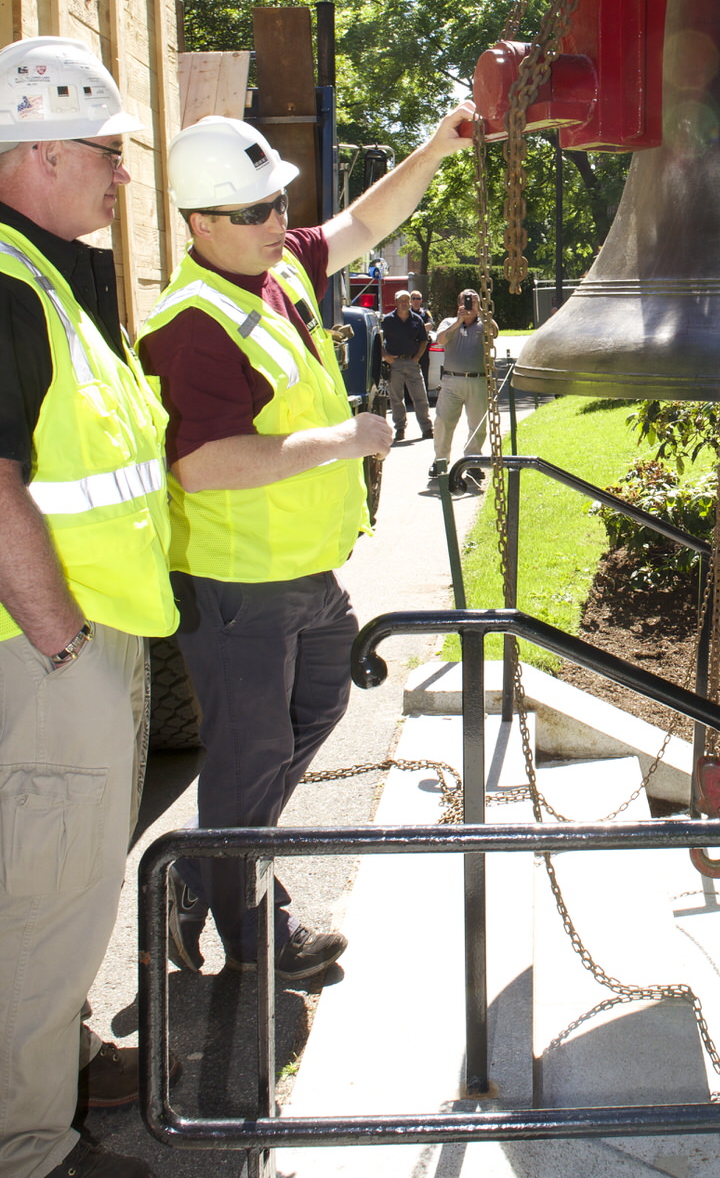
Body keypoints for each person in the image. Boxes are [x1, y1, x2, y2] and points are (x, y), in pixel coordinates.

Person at [140, 104, 475, 980]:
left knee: (321, 702)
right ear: (200, 223)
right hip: (238, 584)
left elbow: (365, 219)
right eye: (252, 212)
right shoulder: (190, 324)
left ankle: (205, 867)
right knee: (250, 756)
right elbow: (205, 465)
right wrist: (348, 439)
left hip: (302, 574)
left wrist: (436, 148)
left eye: (278, 203)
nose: (277, 222)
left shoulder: (279, 267)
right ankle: (256, 938)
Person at [0, 37, 178, 1178]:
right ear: (44, 150)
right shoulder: (12, 283)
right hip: (43, 647)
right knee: (44, 894)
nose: (121, 176)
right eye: (107, 153)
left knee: (63, 877)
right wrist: (60, 636)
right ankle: (23, 1147)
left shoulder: (54, 274)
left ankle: (51, 1057)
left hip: (88, 635)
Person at [430, 288, 493, 482]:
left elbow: (495, 333)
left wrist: (481, 312)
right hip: (451, 381)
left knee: (477, 425)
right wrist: (458, 321)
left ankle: (472, 460)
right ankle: (440, 460)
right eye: (466, 300)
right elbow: (440, 340)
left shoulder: (484, 324)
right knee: (442, 422)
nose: (469, 304)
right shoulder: (449, 322)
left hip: (477, 380)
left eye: (473, 300)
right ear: (459, 303)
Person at [381, 288, 433, 442]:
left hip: (412, 363)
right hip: (394, 364)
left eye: (406, 300)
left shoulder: (417, 320)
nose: (404, 303)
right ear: (396, 302)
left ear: (410, 302)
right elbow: (378, 340)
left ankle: (427, 428)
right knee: (396, 398)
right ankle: (400, 429)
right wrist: (386, 356)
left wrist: (417, 357)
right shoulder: (387, 320)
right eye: (401, 300)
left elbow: (424, 340)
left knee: (420, 397)